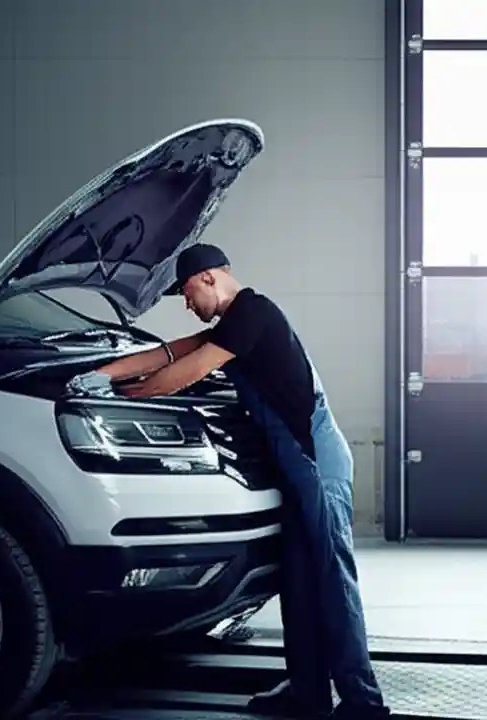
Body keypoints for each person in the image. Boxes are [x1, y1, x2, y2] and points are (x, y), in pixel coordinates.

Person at [79, 243, 390, 720]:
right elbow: (165, 352)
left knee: (332, 582)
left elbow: (180, 374)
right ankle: (307, 693)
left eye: (186, 293)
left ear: (209, 277)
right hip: (295, 472)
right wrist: (95, 373)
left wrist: (121, 392)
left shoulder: (253, 312)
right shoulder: (231, 327)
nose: (187, 305)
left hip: (317, 466)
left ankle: (363, 702)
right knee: (299, 586)